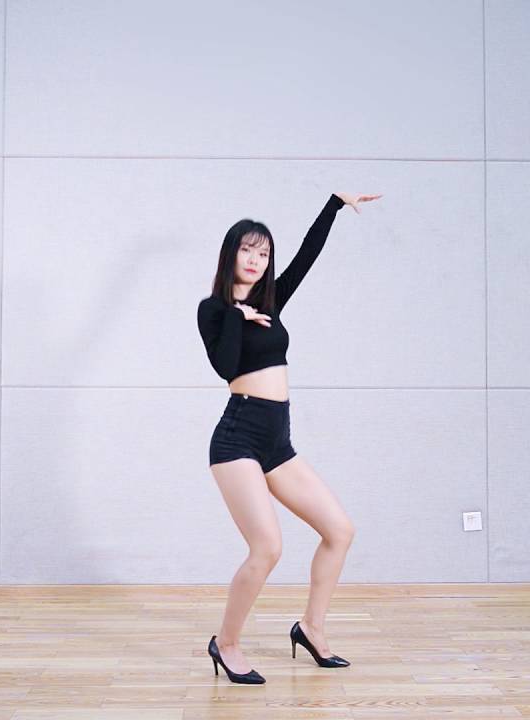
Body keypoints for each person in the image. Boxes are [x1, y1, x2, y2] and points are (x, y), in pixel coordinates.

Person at [196, 191, 383, 684]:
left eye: (263, 253)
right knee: (268, 548)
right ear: (231, 254)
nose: (256, 260)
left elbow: (306, 257)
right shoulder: (213, 310)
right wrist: (237, 316)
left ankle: (311, 628)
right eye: (247, 250)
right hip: (237, 439)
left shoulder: (272, 301)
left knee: (339, 531)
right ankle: (226, 643)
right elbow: (224, 367)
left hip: (277, 441)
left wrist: (333, 205)